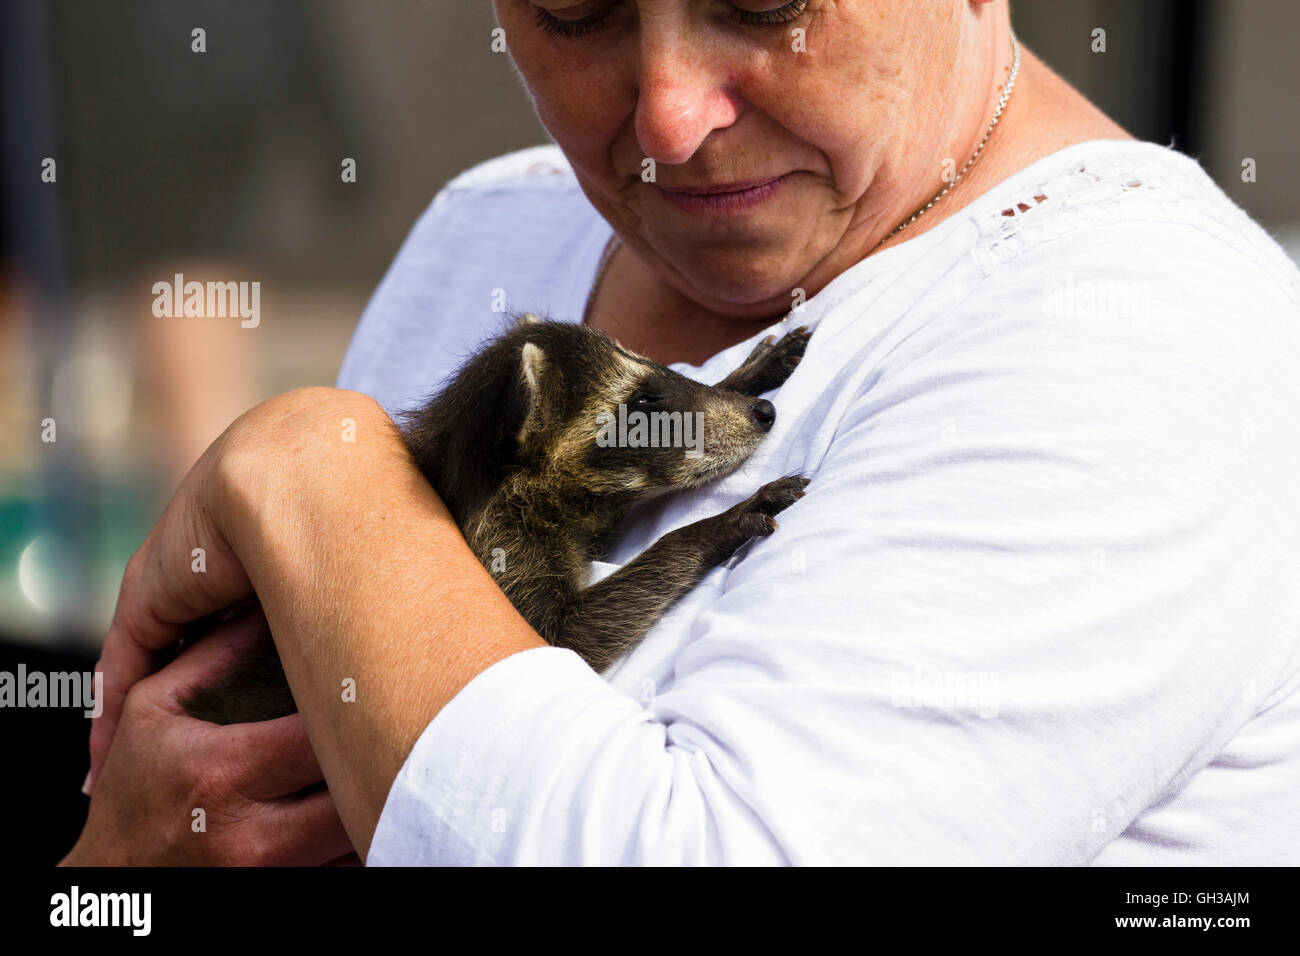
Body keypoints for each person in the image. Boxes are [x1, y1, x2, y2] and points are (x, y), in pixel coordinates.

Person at [64, 0, 1300, 865]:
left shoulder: (1135, 328)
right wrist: (107, 880)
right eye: (572, 9)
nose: (665, 116)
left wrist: (306, 467)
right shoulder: (490, 231)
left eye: (762, 2)